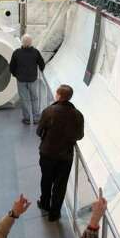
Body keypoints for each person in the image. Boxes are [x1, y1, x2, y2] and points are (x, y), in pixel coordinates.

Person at [35, 85, 84, 222]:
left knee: (46, 179)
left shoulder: (49, 111)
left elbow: (39, 131)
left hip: (47, 153)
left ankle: (44, 203)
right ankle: (54, 213)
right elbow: (80, 136)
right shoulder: (78, 115)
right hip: (65, 156)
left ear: (58, 95)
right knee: (60, 185)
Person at [9, 35, 46, 125]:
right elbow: (42, 64)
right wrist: (40, 70)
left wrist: (16, 75)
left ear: (22, 42)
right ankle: (36, 118)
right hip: (33, 79)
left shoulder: (16, 53)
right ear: (31, 42)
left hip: (21, 80)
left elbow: (11, 67)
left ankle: (27, 119)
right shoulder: (35, 52)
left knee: (24, 99)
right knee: (35, 98)